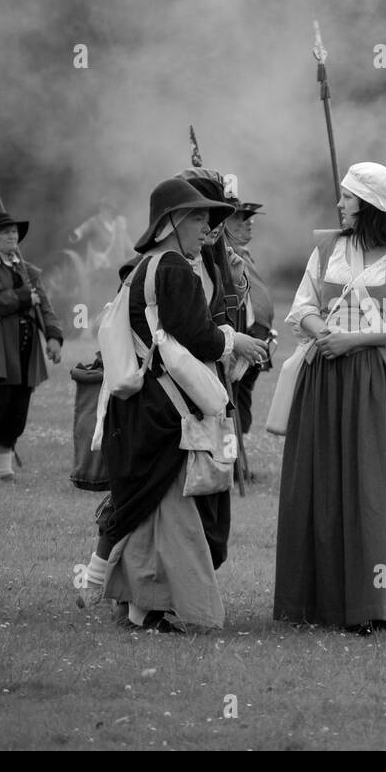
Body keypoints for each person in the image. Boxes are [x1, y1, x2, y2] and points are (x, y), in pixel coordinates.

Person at [73, 179, 267, 630]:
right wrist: (235, 339)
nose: (208, 226)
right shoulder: (174, 267)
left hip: (147, 403)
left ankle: (132, 603)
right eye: (199, 217)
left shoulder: (147, 265)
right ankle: (148, 607)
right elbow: (196, 337)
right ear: (173, 221)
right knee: (162, 512)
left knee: (148, 508)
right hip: (164, 407)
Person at [274, 162, 386, 632]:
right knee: (320, 485)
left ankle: (371, 607)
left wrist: (351, 341)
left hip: (375, 381)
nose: (339, 204)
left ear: (366, 205)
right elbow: (301, 306)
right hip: (323, 376)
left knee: (371, 489)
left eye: (347, 197)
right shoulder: (327, 248)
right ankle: (315, 603)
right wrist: (323, 332)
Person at [0, 212, 63, 480]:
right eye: (5, 232)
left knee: (16, 410)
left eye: (14, 232)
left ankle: (4, 467)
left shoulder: (27, 271)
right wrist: (22, 297)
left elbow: (44, 306)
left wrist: (53, 336)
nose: (12, 235)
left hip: (26, 349)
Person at [223, 200, 277, 437]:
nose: (250, 223)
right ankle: (232, 467)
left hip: (255, 337)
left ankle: (238, 467)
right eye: (242, 218)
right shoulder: (224, 254)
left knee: (242, 401)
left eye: (250, 218)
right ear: (224, 223)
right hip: (238, 340)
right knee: (231, 404)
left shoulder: (243, 254)